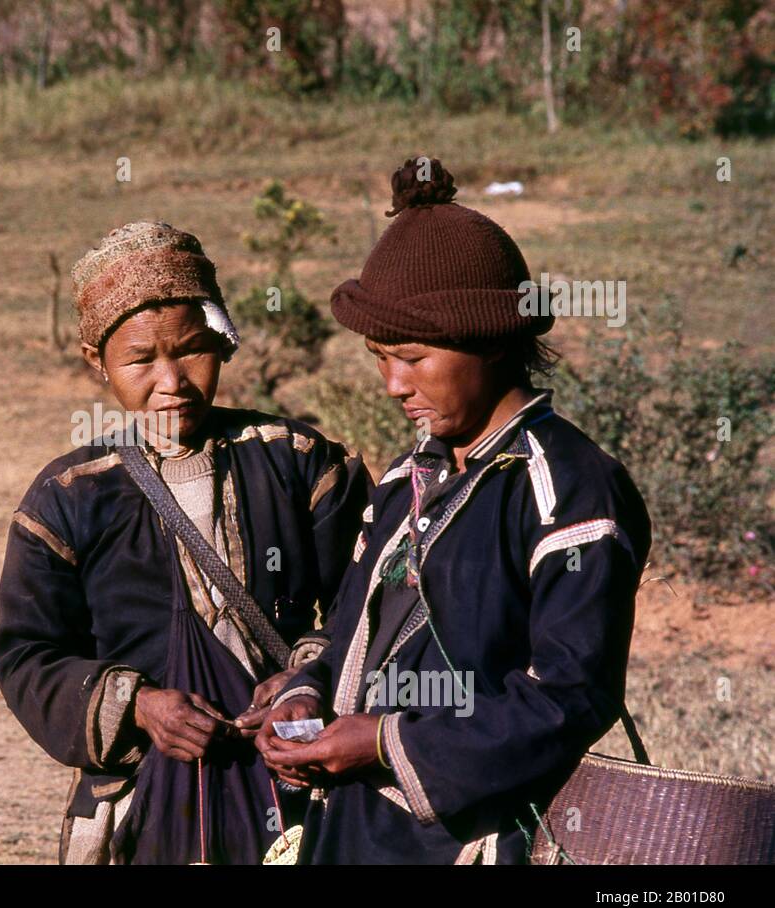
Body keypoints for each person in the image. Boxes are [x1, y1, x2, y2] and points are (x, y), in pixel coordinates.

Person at [256, 159, 652, 864]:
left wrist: (382, 740)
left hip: (471, 842)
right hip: (350, 833)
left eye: (410, 356)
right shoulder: (411, 475)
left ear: (490, 339)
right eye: (379, 357)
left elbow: (568, 697)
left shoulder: (569, 491)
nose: (391, 384)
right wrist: (306, 694)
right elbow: (350, 632)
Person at [0, 221, 370, 864]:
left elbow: (364, 603)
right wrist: (137, 705)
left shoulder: (299, 460)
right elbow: (28, 653)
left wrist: (303, 680)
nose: (173, 380)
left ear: (220, 342)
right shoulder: (69, 497)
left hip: (299, 782)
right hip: (145, 803)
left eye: (192, 349)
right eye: (140, 359)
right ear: (96, 361)